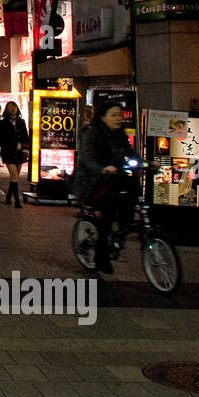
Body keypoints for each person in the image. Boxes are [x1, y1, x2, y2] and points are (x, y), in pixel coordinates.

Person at [71, 99, 134, 273]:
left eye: (120, 115)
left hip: (114, 179)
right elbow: (87, 159)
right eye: (113, 115)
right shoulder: (92, 132)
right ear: (103, 117)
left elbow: (131, 153)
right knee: (106, 217)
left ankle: (121, 228)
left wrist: (147, 163)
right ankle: (101, 258)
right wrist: (103, 169)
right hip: (92, 183)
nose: (118, 118)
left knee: (131, 195)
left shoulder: (120, 134)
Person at [0, 101, 31, 208]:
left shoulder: (21, 122)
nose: (13, 109)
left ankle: (9, 196)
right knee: (14, 176)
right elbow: (0, 138)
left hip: (20, 153)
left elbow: (25, 136)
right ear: (7, 109)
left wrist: (25, 149)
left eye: (14, 107)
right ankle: (17, 201)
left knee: (14, 177)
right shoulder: (3, 123)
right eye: (10, 107)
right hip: (8, 152)